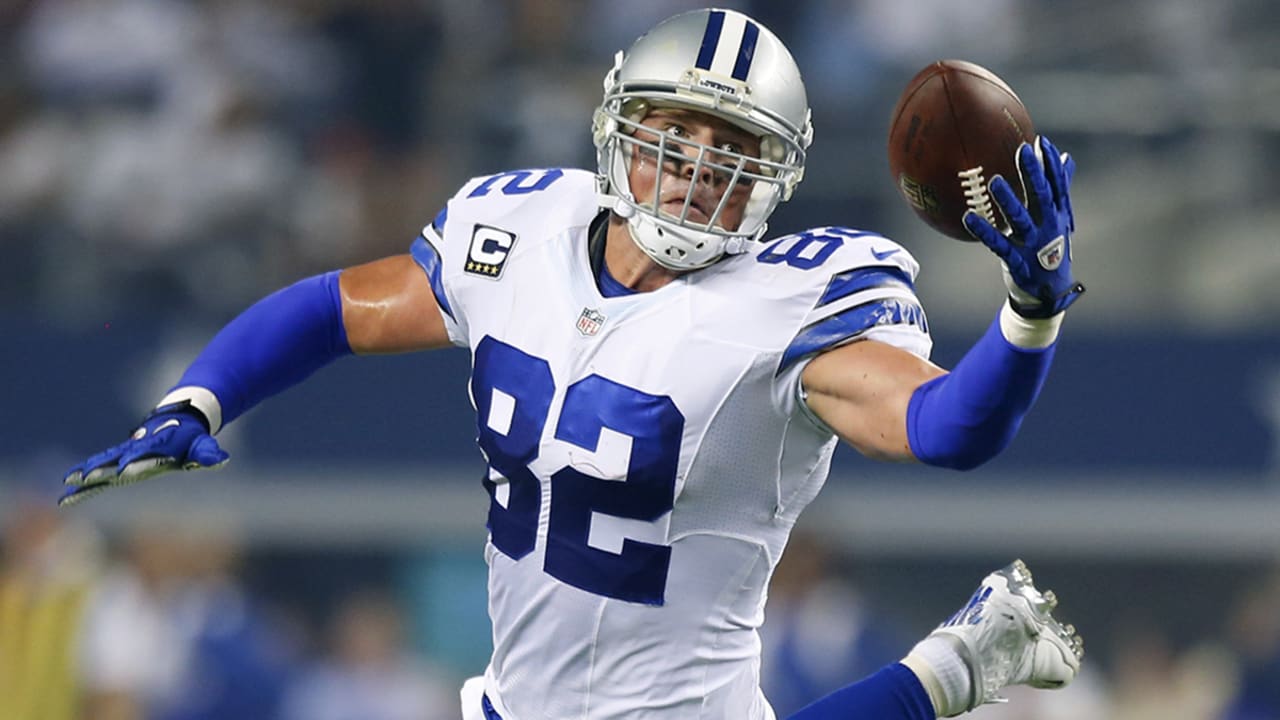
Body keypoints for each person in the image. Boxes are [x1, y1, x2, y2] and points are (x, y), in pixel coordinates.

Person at [59, 8, 1086, 719]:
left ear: (773, 180)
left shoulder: (793, 304)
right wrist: (202, 393)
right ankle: (961, 661)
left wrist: (1028, 311)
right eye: (672, 139)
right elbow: (341, 306)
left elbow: (948, 430)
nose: (691, 177)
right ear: (616, 129)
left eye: (729, 157)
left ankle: (956, 664)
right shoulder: (520, 230)